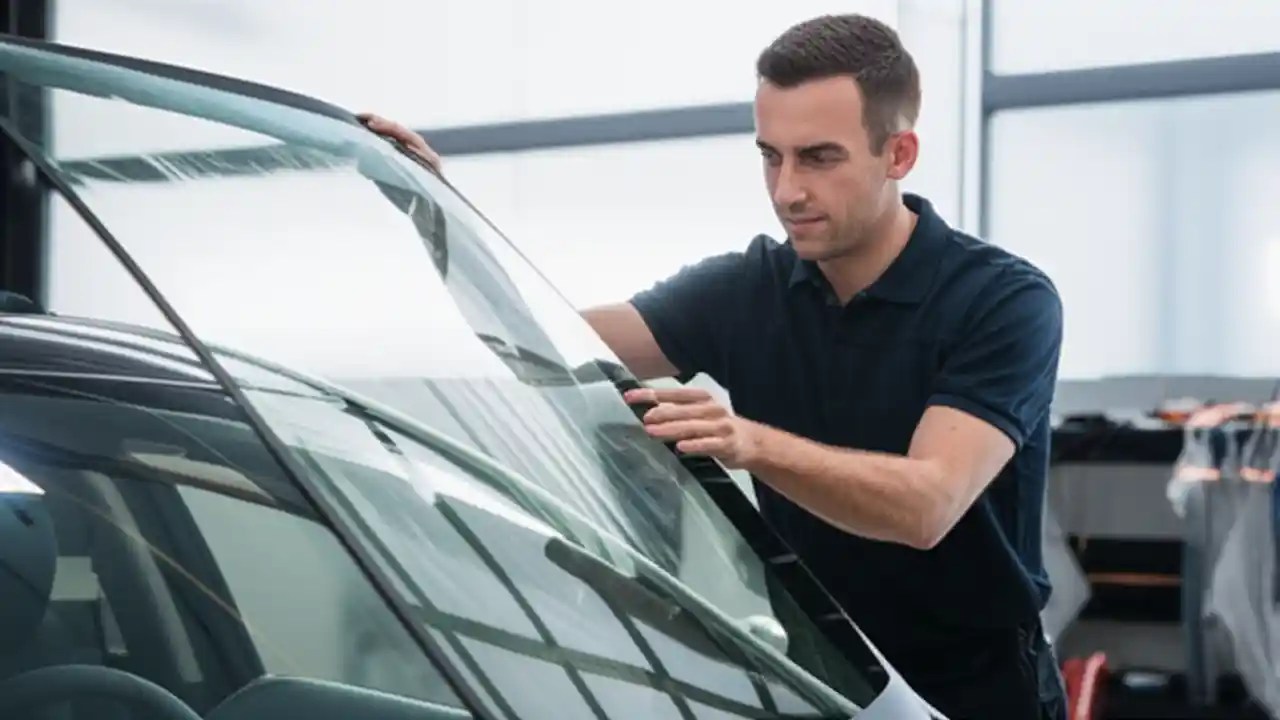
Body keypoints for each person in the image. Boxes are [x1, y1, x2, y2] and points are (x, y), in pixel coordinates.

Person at [361, 12, 1067, 719]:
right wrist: (432, 212)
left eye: (819, 158)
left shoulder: (1005, 301)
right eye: (771, 155)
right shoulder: (747, 288)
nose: (787, 189)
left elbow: (926, 505)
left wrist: (748, 443)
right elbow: (534, 347)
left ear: (899, 153)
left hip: (979, 690)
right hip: (823, 675)